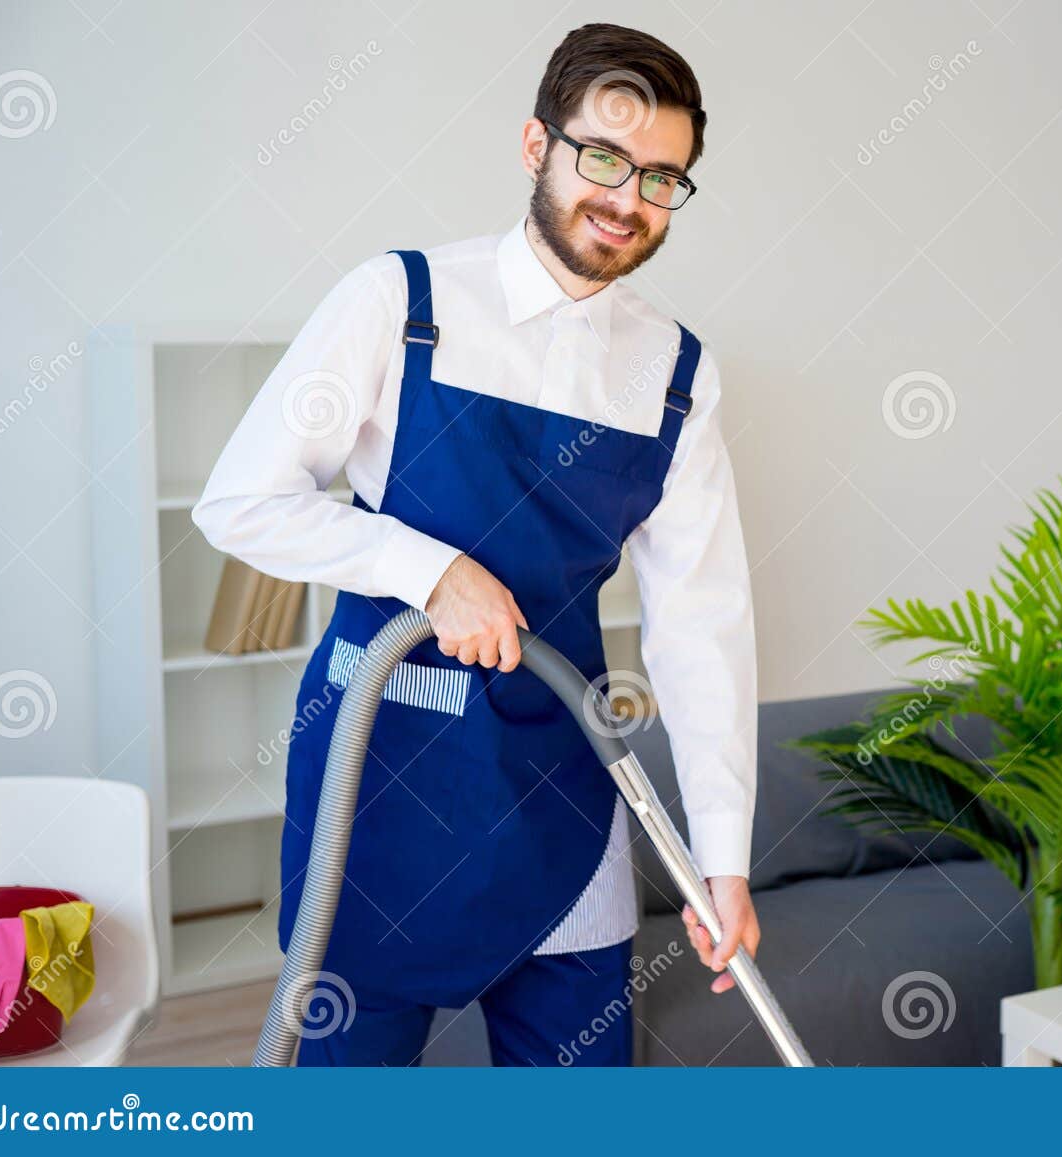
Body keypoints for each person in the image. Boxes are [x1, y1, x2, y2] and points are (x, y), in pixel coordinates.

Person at [193, 24, 756, 1066]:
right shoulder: (400, 302)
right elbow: (241, 502)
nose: (628, 198)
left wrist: (721, 859)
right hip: (382, 787)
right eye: (604, 157)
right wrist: (428, 569)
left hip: (563, 790)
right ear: (537, 146)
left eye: (663, 177)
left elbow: (702, 625)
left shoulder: (677, 372)